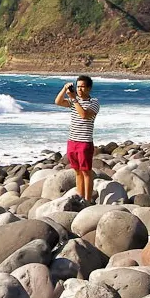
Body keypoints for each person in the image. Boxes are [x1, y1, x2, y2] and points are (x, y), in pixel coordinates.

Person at [54, 75, 100, 203]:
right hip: (72, 140)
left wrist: (74, 99)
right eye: (78, 86)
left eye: (82, 87)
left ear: (89, 88)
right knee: (77, 172)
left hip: (85, 142)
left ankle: (88, 199)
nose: (79, 89)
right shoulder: (75, 101)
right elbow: (58, 102)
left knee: (86, 172)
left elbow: (84, 115)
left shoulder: (94, 102)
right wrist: (64, 89)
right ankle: (80, 197)